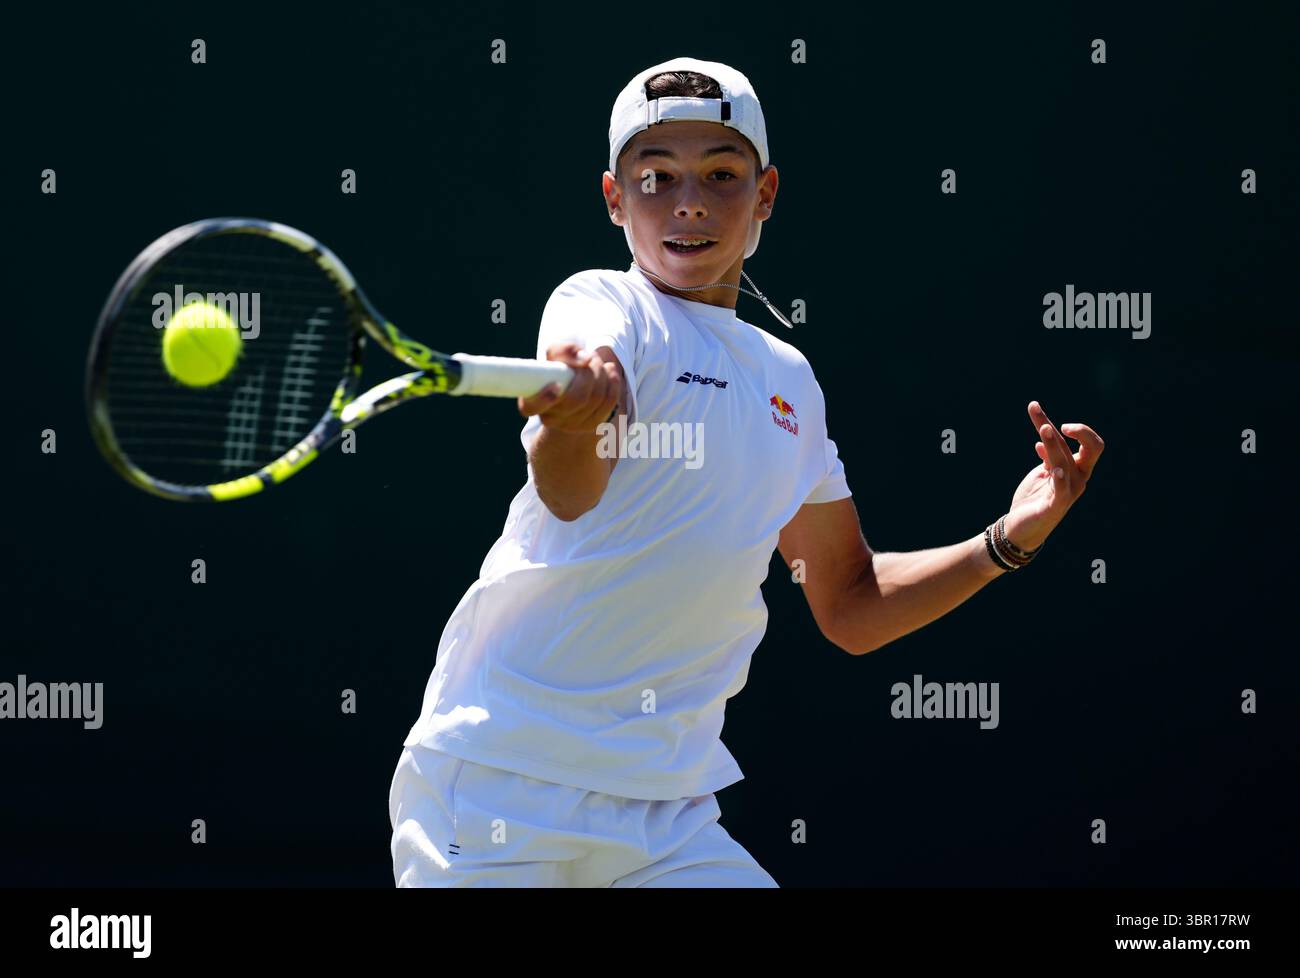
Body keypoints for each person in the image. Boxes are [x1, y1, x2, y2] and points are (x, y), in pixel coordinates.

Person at [388, 56, 1104, 887]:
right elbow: (570, 489)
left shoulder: (787, 382)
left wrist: (1006, 540)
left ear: (764, 195)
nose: (686, 200)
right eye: (654, 178)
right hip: (497, 788)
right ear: (615, 200)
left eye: (719, 175)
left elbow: (851, 604)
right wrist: (572, 419)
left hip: (667, 816)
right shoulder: (601, 307)